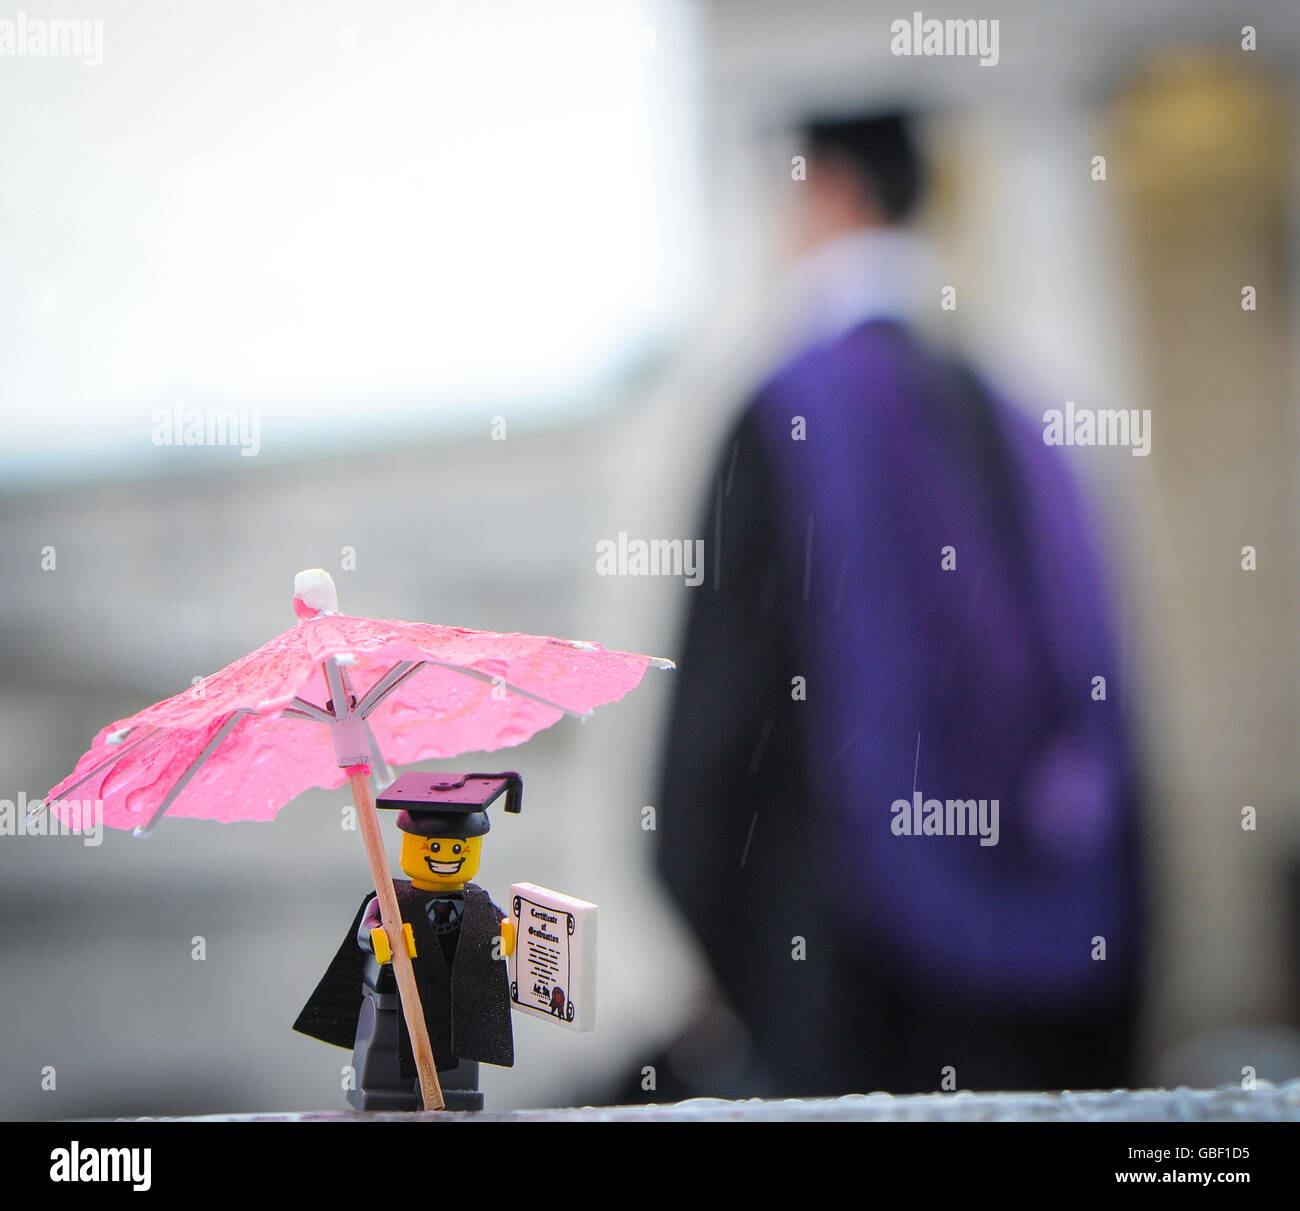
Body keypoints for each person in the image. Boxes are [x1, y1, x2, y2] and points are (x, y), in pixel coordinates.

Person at [649, 113, 1145, 1097]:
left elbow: (710, 751)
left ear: (831, 190)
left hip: (846, 999)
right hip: (1054, 1011)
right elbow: (1116, 723)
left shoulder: (781, 415)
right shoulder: (1032, 423)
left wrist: (754, 980)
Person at [294, 772, 520, 1111]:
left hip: (455, 993)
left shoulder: (477, 903)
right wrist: (380, 937)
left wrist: (506, 934)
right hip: (395, 991)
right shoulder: (389, 900)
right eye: (434, 846)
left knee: (458, 1052)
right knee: (384, 1046)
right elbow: (366, 928)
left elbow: (497, 926)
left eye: (459, 848)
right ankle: (382, 1097)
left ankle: (454, 1098)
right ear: (410, 845)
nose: (446, 856)